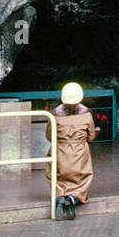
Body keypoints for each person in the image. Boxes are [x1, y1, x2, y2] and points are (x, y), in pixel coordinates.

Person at [47, 82, 96, 220]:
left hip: (60, 150)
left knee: (55, 174)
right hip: (80, 151)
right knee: (82, 176)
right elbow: (91, 136)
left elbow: (49, 136)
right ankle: (73, 199)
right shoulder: (87, 115)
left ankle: (59, 196)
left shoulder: (54, 115)